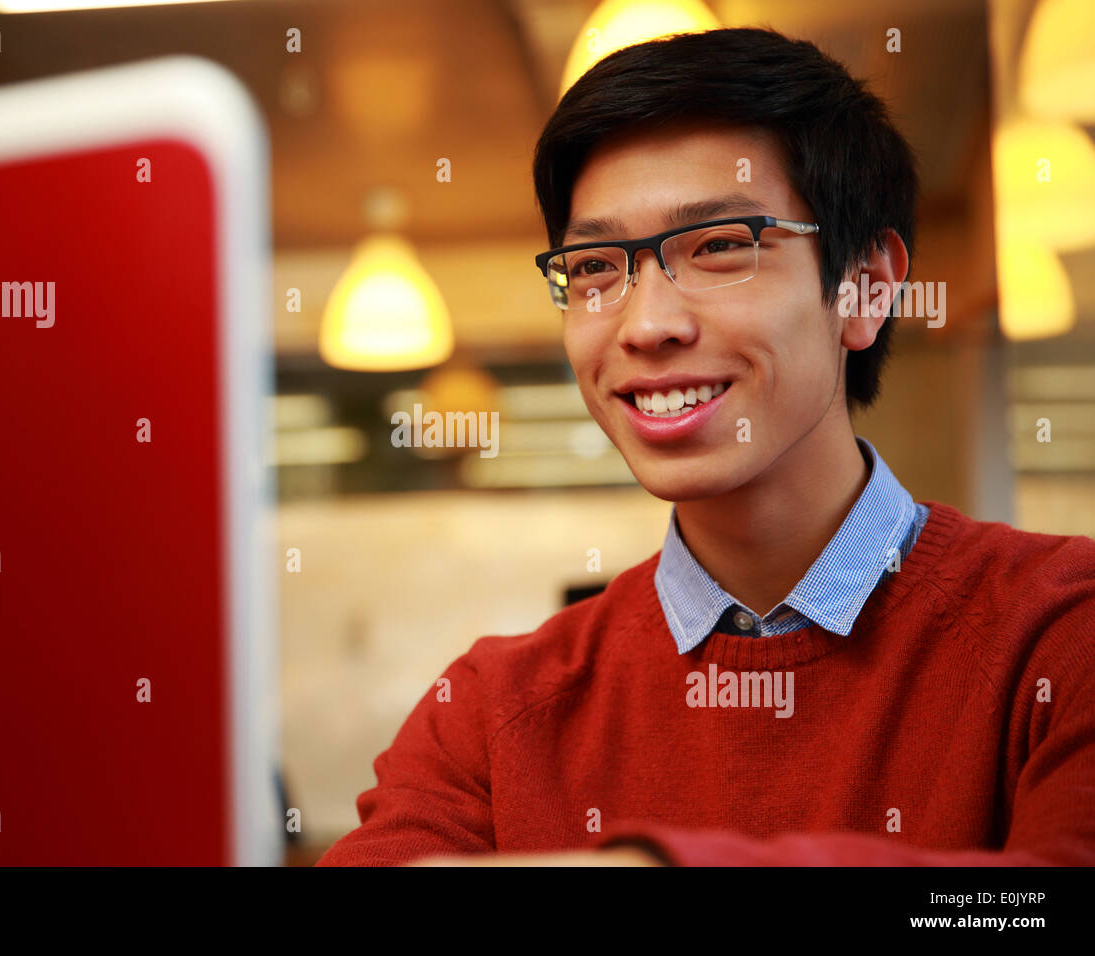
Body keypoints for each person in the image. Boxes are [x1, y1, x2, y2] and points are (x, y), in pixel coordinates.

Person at [315, 27, 1095, 866]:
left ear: (865, 287)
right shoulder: (488, 712)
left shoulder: (1057, 635)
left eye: (721, 246)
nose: (646, 325)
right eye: (595, 268)